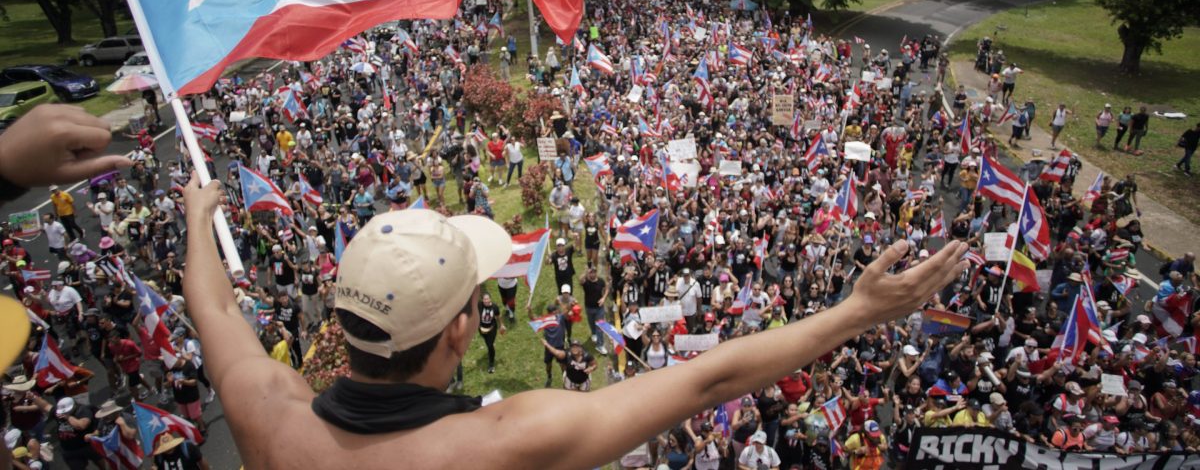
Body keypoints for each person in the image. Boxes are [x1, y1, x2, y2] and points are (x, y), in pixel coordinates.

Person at [179, 176, 967, 470]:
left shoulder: (263, 413)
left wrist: (197, 211)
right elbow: (711, 376)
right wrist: (857, 313)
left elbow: (210, 304)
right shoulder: (506, 442)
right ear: (460, 332)